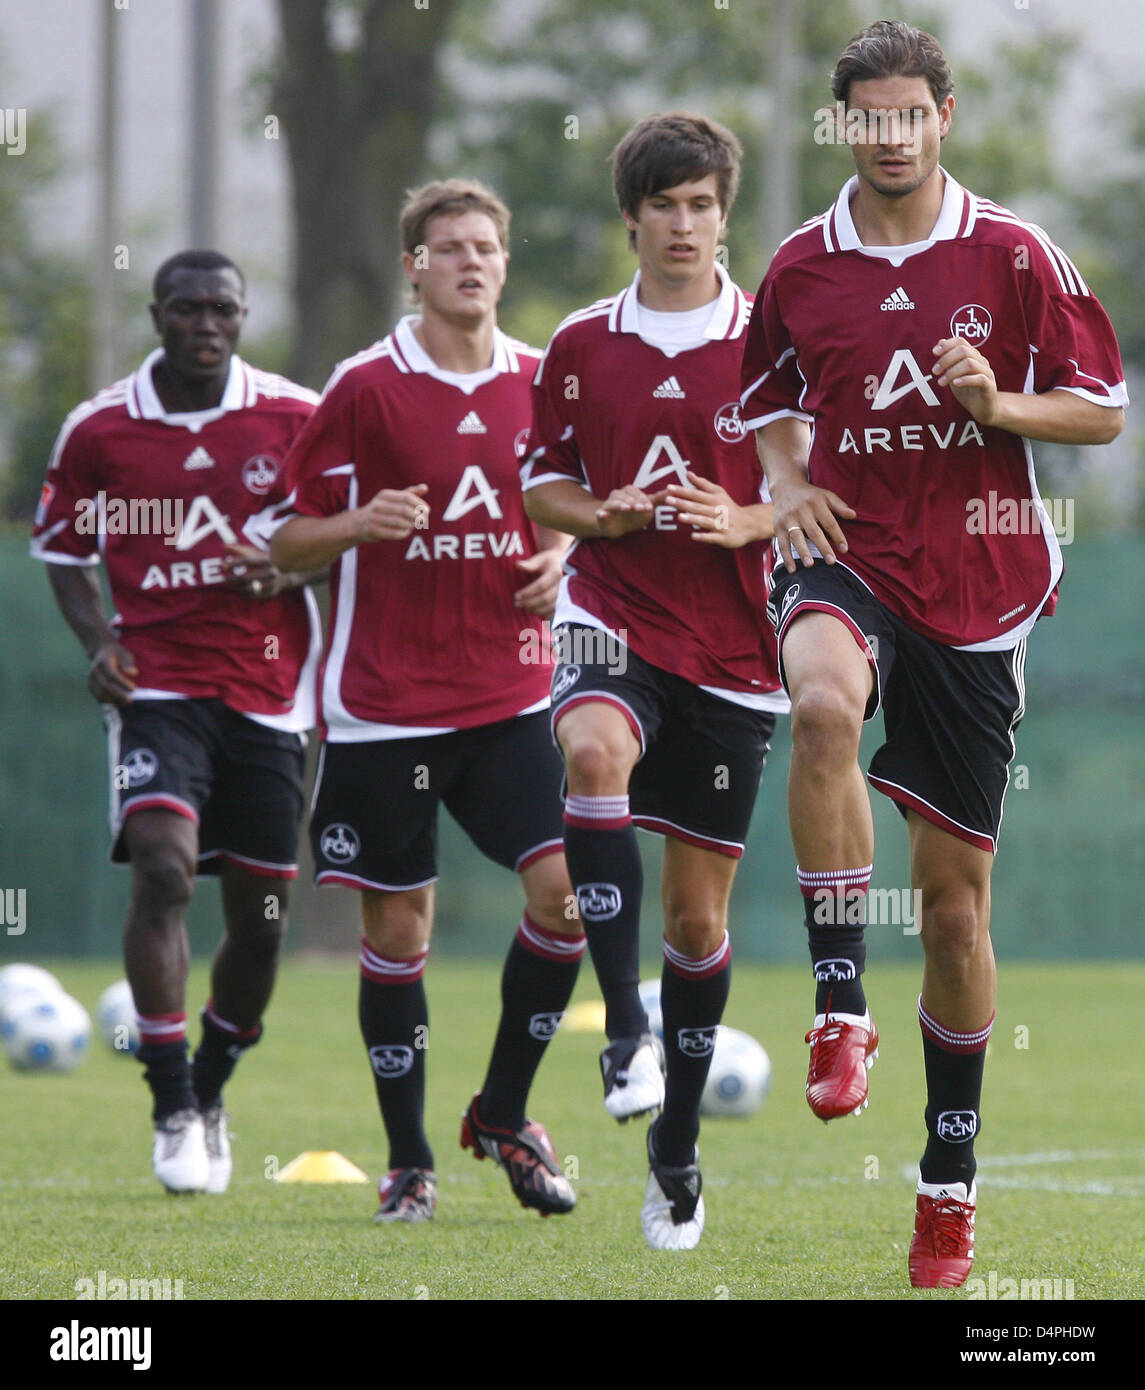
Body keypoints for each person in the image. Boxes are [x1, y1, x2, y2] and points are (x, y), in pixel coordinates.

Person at [740, 19, 1126, 1287]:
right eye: (868, 116)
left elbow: (1102, 410)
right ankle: (838, 1003)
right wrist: (786, 483)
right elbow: (766, 414)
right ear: (843, 123)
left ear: (941, 118)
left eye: (910, 114)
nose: (890, 134)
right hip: (845, 555)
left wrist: (995, 404)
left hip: (977, 582)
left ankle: (946, 1182)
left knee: (955, 909)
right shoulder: (799, 264)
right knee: (818, 709)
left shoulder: (1011, 253)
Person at [268, 179, 583, 1224]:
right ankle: (409, 1161)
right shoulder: (362, 387)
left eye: (485, 246)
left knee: (569, 896)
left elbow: (581, 504)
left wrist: (561, 549)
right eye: (447, 248)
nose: (470, 262)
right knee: (401, 934)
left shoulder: (544, 380)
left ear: (504, 260)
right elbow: (281, 540)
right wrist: (357, 522)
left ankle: (502, 1112)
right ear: (414, 265)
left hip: (511, 694)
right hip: (385, 706)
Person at [522, 112, 787, 1249]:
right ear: (630, 217)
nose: (684, 224)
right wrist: (603, 514)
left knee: (694, 915)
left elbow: (823, 495)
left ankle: (673, 1146)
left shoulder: (777, 340)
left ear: (724, 212)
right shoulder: (581, 344)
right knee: (590, 753)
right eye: (663, 205)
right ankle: (622, 1025)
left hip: (734, 650)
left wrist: (748, 517)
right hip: (609, 611)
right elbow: (542, 491)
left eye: (702, 203)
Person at [31, 250, 323, 1193]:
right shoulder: (101, 429)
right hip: (158, 688)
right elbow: (62, 547)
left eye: (225, 309)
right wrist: (95, 643)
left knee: (265, 915)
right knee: (162, 869)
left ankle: (211, 1084)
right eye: (189, 309)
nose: (208, 324)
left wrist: (291, 567)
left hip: (273, 694)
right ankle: (168, 1105)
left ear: (243, 317)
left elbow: (345, 530)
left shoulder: (293, 415)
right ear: (157, 315)